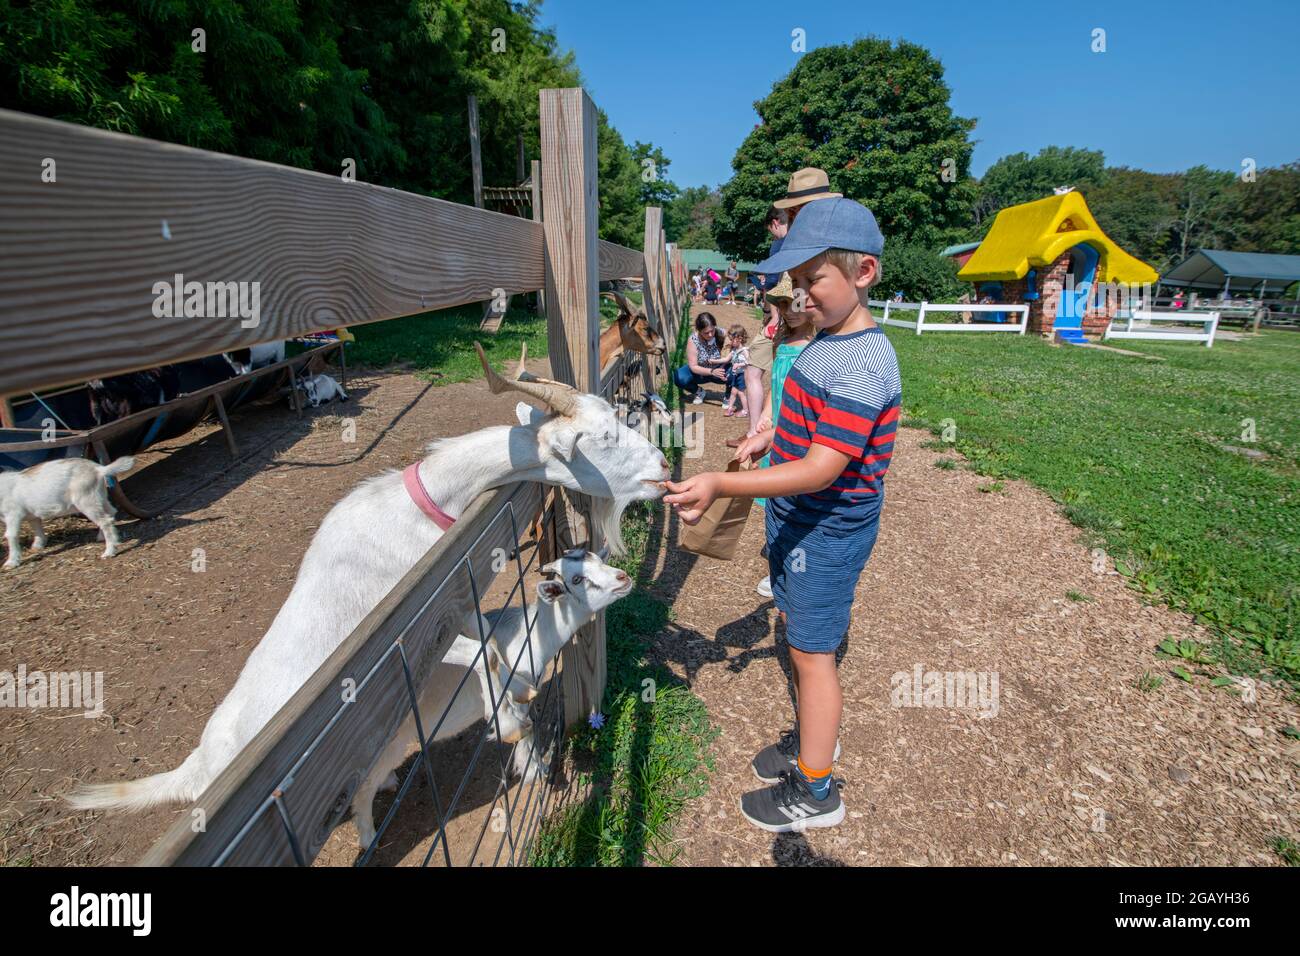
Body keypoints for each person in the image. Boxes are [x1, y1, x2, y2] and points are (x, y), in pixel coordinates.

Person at [664, 198, 900, 832]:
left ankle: (817, 789)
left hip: (826, 528)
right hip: (799, 520)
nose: (800, 295)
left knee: (813, 655)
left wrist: (716, 480)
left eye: (814, 279)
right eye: (796, 282)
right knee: (799, 630)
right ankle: (809, 743)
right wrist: (768, 436)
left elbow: (825, 465)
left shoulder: (863, 365)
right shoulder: (826, 342)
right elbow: (806, 424)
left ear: (864, 273)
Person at [751, 275, 816, 597]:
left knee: (793, 500)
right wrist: (764, 415)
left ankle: (792, 568)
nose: (789, 311)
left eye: (795, 303)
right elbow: (774, 387)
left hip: (797, 434)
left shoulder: (815, 347)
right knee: (775, 502)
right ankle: (779, 561)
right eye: (783, 304)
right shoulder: (783, 342)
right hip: (776, 429)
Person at [672, 312, 728, 405]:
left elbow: (736, 350)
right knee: (679, 377)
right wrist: (712, 371)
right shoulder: (693, 340)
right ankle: (698, 391)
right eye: (706, 333)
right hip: (700, 371)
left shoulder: (722, 333)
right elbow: (693, 366)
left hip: (720, 369)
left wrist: (725, 363)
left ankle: (729, 395)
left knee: (737, 371)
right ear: (699, 330)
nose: (710, 335)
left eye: (712, 331)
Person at [721, 324, 750, 417]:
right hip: (736, 374)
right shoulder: (734, 350)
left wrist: (739, 364)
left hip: (742, 374)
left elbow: (749, 362)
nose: (730, 341)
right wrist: (714, 361)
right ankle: (730, 408)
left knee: (741, 393)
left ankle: (746, 410)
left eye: (731, 339)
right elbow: (726, 359)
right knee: (733, 392)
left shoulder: (744, 350)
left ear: (739, 339)